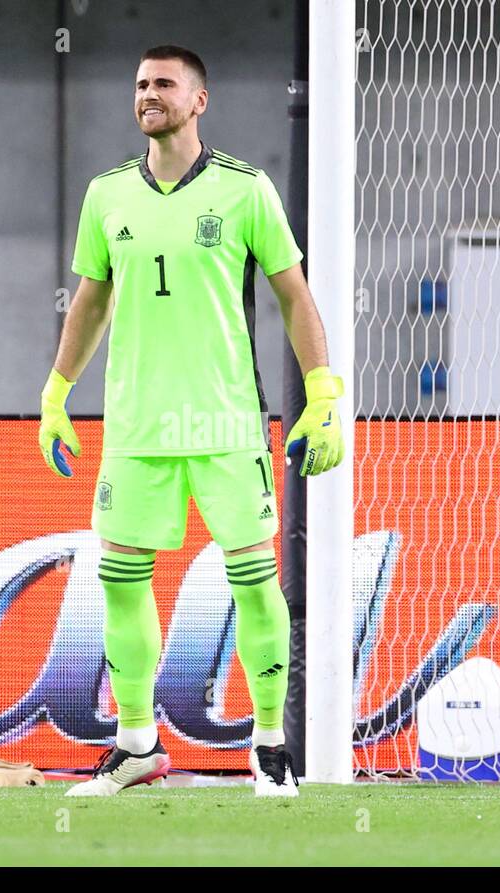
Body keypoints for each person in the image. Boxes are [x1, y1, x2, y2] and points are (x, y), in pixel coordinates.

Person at [39, 45, 344, 797]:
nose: (149, 95)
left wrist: (325, 392)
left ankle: (270, 745)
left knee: (254, 583)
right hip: (137, 426)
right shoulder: (108, 194)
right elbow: (90, 300)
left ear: (198, 100)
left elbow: (294, 296)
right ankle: (137, 744)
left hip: (226, 422)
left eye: (164, 85)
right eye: (141, 84)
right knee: (120, 581)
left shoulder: (245, 191)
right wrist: (56, 391)